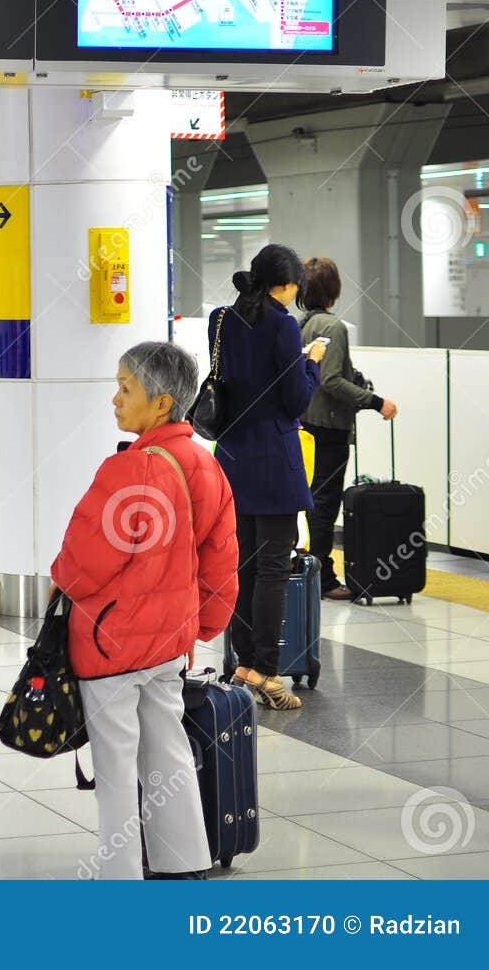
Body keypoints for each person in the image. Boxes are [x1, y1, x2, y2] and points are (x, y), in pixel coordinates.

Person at [52, 342, 239, 879]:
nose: (115, 399)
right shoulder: (205, 465)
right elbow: (222, 560)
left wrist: (60, 578)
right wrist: (199, 626)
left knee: (115, 768)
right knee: (167, 754)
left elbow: (81, 565)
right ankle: (185, 865)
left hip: (112, 646)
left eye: (125, 388)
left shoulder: (128, 471)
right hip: (169, 645)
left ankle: (119, 878)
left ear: (160, 404)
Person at [210, 244, 323, 711]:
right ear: (288, 283)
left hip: (232, 458)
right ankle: (268, 673)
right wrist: (311, 360)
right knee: (273, 570)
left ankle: (240, 664)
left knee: (242, 567)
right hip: (275, 461)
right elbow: (296, 401)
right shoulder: (282, 326)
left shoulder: (222, 319)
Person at [297, 257, 397, 601]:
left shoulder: (300, 323)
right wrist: (375, 400)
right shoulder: (333, 326)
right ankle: (324, 580)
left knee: (310, 503)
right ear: (332, 289)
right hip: (329, 427)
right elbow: (332, 380)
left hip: (304, 425)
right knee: (325, 505)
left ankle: (308, 571)